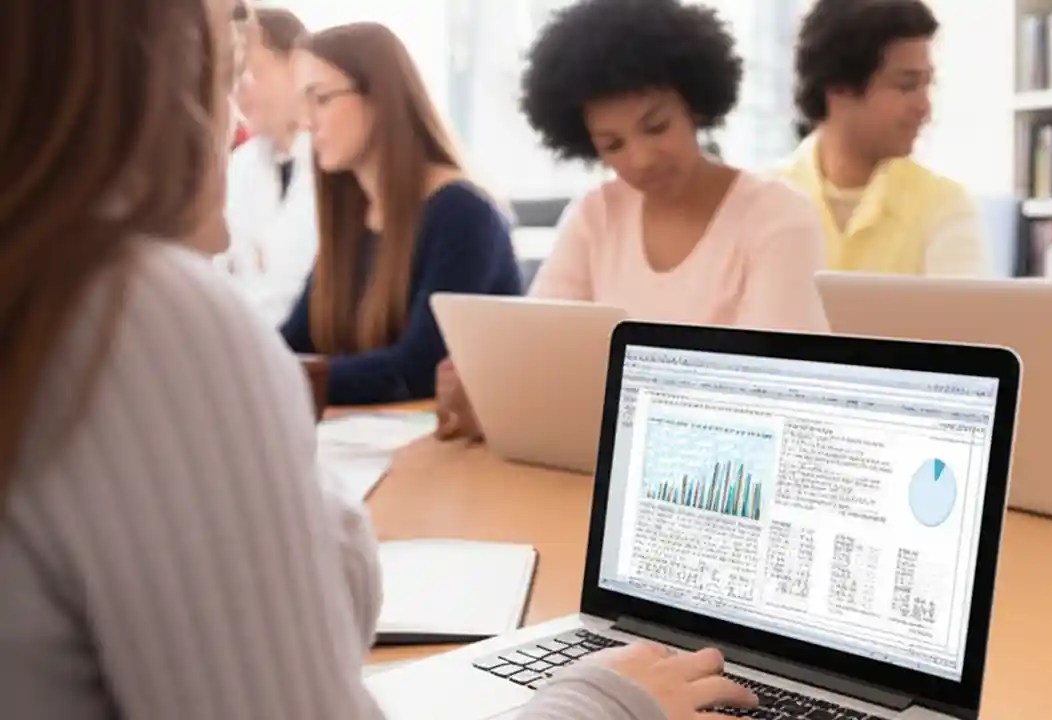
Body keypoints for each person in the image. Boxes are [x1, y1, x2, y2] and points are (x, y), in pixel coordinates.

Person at [0, 1, 757, 718]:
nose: (243, 120)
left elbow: (390, 360)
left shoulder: (94, 311)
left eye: (312, 96)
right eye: (224, 76)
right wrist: (599, 702)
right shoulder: (145, 323)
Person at [435, 0, 829, 440]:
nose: (640, 159)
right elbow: (539, 361)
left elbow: (773, 390)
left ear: (694, 106)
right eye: (612, 145)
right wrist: (486, 398)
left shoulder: (778, 217)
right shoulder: (594, 216)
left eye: (657, 126)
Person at [281, 23, 523, 406]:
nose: (307, 122)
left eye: (321, 99)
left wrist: (283, 377)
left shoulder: (463, 212)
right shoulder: (353, 216)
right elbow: (295, 340)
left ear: (379, 97)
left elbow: (419, 368)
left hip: (449, 453)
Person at [779, 0, 988, 277]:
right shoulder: (762, 202)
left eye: (928, 84)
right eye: (907, 85)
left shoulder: (945, 206)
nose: (925, 108)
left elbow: (961, 321)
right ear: (839, 88)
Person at [220, 8, 319, 327]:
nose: (240, 89)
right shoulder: (240, 165)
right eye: (235, 76)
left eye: (252, 72)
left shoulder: (331, 163)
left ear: (296, 65)